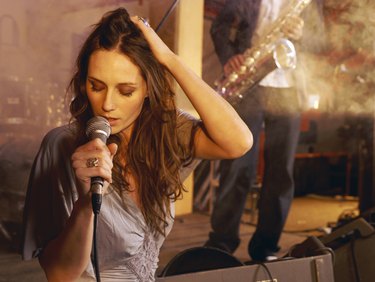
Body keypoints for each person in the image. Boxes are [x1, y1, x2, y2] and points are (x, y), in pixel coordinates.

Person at [21, 7, 252, 281]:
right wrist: (85, 205)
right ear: (84, 85)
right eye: (96, 86)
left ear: (147, 89)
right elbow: (60, 275)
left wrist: (169, 60)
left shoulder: (167, 132)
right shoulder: (61, 145)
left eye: (125, 90)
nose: (107, 105)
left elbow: (238, 142)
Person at [205, 0, 326, 261]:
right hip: (251, 85)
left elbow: (321, 42)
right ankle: (220, 245)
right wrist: (230, 57)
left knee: (280, 171)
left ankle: (266, 248)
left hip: (290, 90)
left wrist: (303, 33)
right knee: (237, 165)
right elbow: (220, 26)